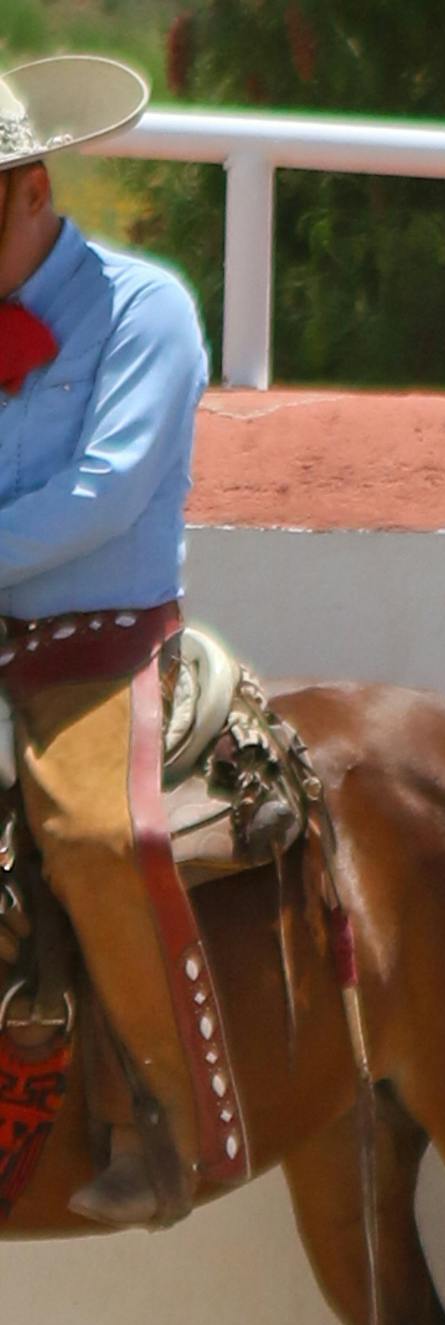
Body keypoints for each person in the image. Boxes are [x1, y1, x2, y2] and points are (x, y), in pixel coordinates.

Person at [0, 55, 233, 1226]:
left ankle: (168, 1127)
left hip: (93, 648)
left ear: (32, 192)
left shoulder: (146, 312)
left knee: (92, 834)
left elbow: (102, 496)